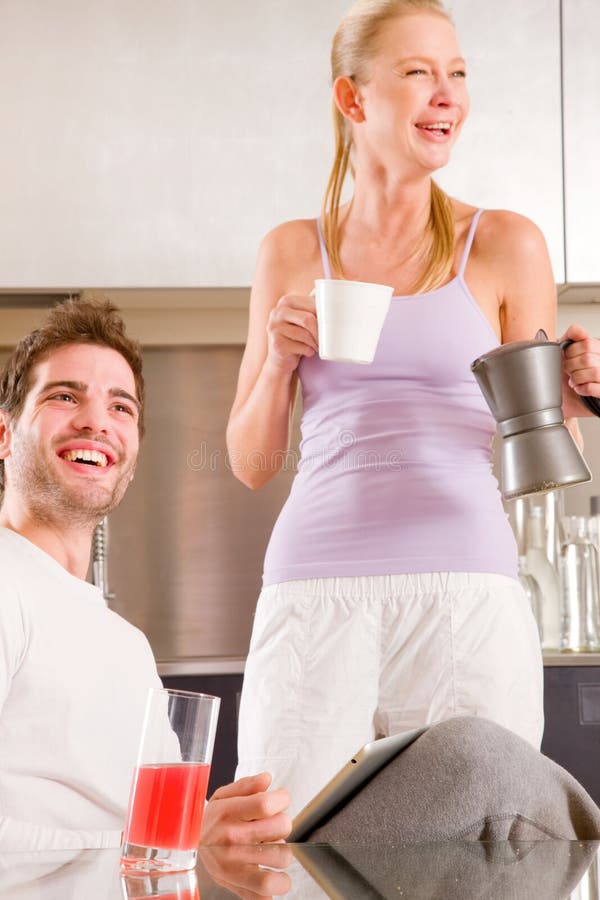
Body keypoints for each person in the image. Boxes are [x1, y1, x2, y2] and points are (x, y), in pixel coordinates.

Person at [227, 0, 600, 817]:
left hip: (467, 591)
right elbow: (251, 465)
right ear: (354, 100)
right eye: (419, 72)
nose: (448, 95)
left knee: (472, 850)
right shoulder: (291, 251)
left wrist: (574, 397)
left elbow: (540, 449)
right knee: (287, 843)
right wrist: (279, 360)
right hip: (312, 592)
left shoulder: (507, 244)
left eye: (458, 74)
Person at [0, 296, 291, 849]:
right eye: (65, 396)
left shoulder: (128, 649)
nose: (96, 421)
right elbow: (152, 842)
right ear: (4, 435)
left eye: (121, 408)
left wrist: (214, 838)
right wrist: (172, 839)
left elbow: (157, 845)